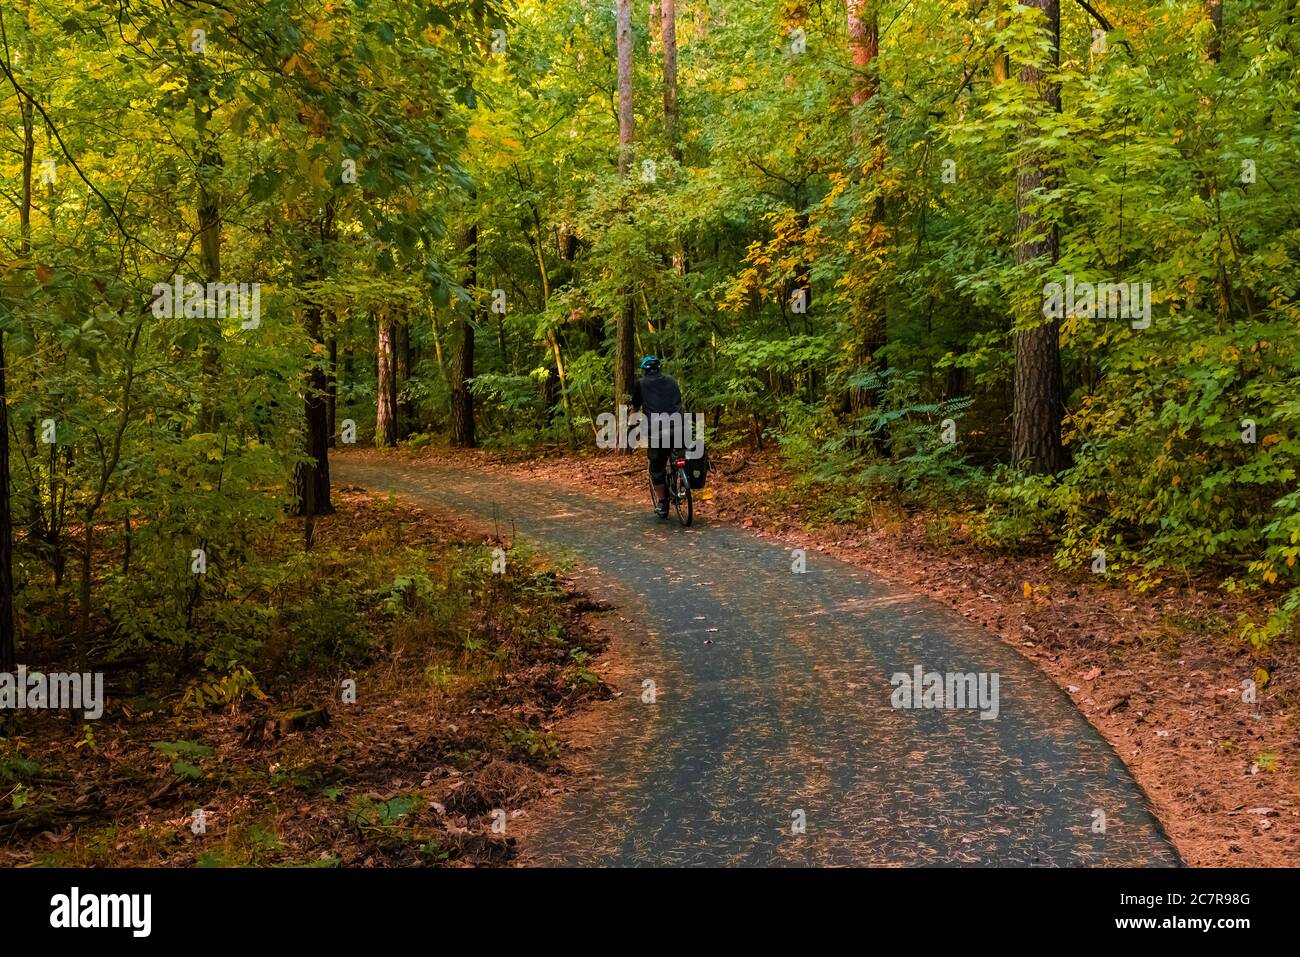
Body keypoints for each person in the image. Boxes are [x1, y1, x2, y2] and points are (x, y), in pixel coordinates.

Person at [630, 356, 684, 518]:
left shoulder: (641, 384)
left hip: (656, 431)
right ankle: (682, 485)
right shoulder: (672, 380)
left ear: (644, 370)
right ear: (659, 368)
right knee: (680, 459)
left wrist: (631, 429)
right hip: (679, 427)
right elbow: (680, 402)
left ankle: (662, 502)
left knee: (656, 468)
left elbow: (635, 409)